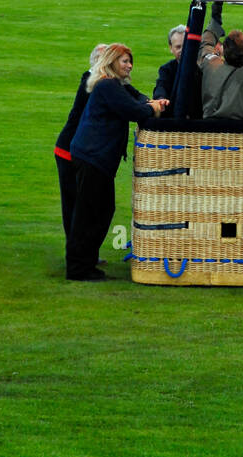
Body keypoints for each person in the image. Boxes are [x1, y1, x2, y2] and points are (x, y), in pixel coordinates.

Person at [66, 44, 168, 281]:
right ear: (112, 62)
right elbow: (133, 110)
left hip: (94, 157)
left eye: (130, 61)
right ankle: (79, 267)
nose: (130, 65)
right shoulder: (108, 86)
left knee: (97, 211)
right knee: (91, 213)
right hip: (93, 157)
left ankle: (84, 263)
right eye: (124, 61)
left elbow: (137, 97)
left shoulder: (114, 84)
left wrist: (151, 103)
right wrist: (152, 108)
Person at [54, 44, 107, 243]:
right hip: (69, 151)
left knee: (83, 204)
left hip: (77, 150)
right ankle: (76, 252)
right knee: (74, 204)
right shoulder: (91, 83)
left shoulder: (98, 83)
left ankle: (81, 251)